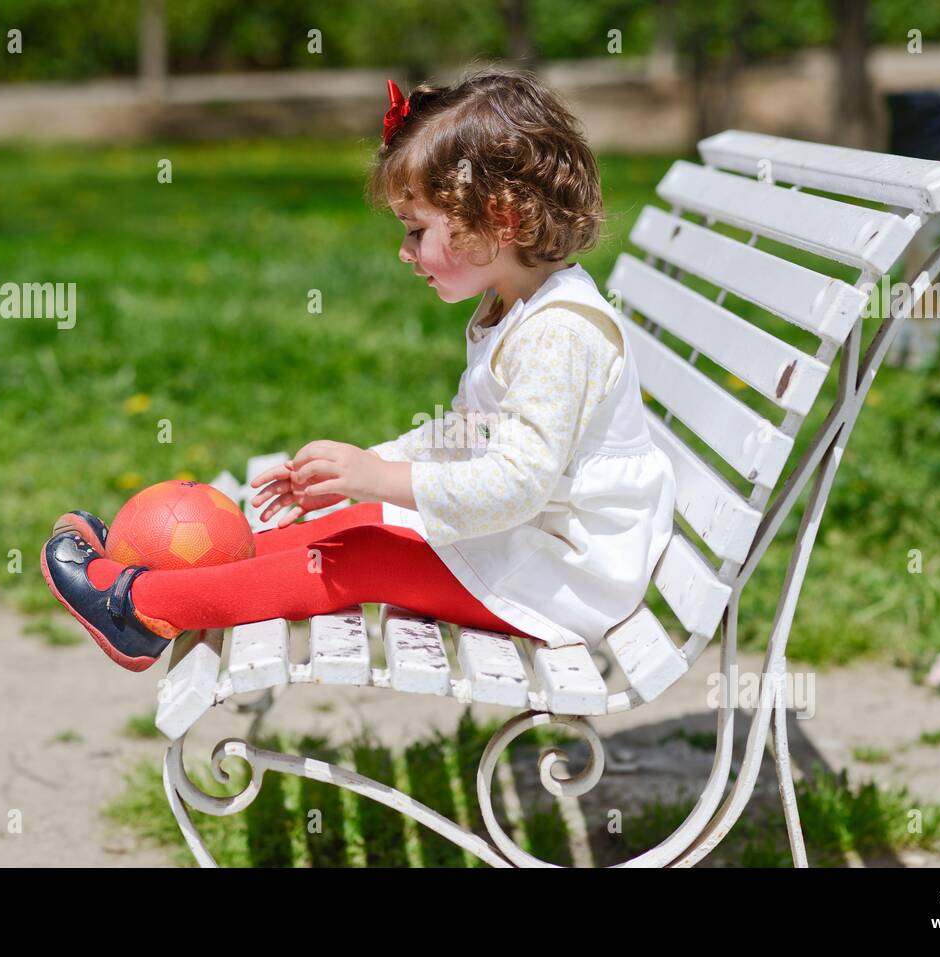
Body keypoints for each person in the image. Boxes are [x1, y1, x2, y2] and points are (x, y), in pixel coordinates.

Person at [40, 68, 677, 673]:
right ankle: (165, 571)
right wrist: (357, 474)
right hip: (532, 546)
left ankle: (142, 610)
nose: (404, 252)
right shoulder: (516, 308)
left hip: (567, 576)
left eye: (415, 228)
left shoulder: (560, 333)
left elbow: (516, 485)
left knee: (365, 558)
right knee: (355, 526)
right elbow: (461, 437)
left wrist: (379, 478)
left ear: (501, 219)